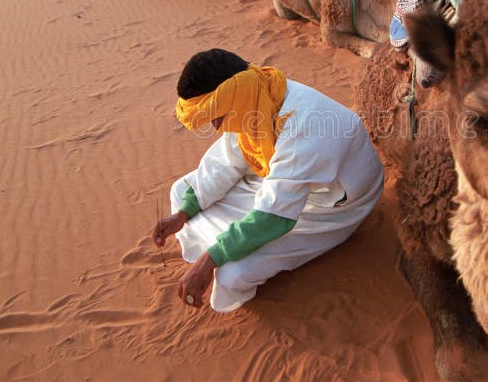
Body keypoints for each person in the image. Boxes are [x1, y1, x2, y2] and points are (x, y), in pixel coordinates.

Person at [152, 49, 384, 312]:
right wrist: (183, 213)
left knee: (233, 273)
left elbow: (274, 216)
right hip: (289, 187)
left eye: (215, 115)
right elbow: (226, 161)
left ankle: (215, 252)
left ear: (234, 93)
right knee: (182, 191)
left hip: (331, 208)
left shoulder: (305, 126)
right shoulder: (256, 96)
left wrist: (211, 259)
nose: (215, 126)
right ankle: (220, 246)